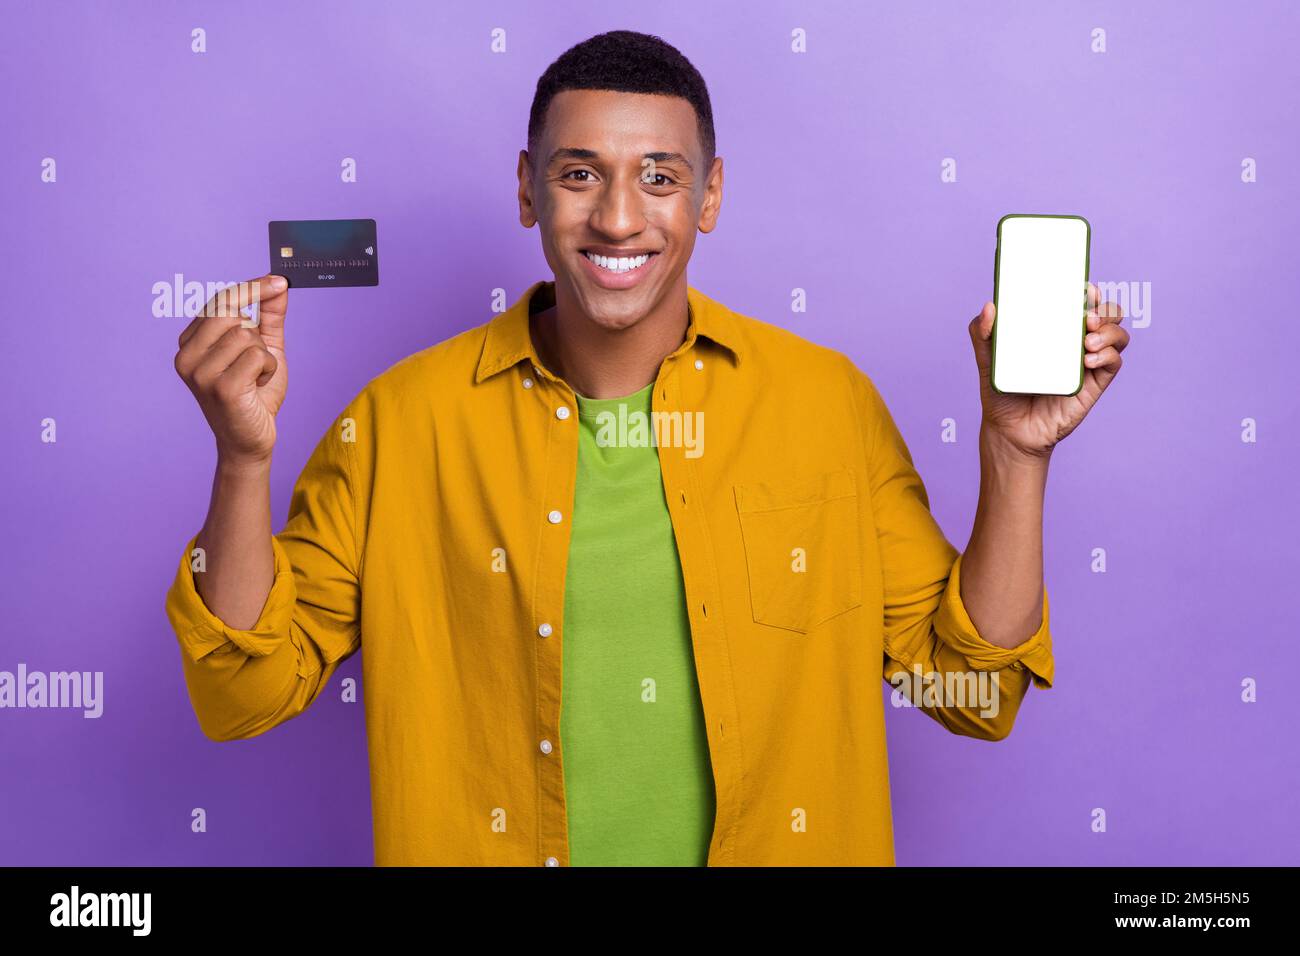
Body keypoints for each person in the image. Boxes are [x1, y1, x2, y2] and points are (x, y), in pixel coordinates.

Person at [166, 30, 1128, 867]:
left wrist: (1015, 453)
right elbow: (242, 689)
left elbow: (976, 690)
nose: (619, 218)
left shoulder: (827, 405)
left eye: (659, 177)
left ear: (708, 196)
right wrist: (242, 462)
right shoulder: (397, 422)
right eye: (578, 173)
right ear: (526, 190)